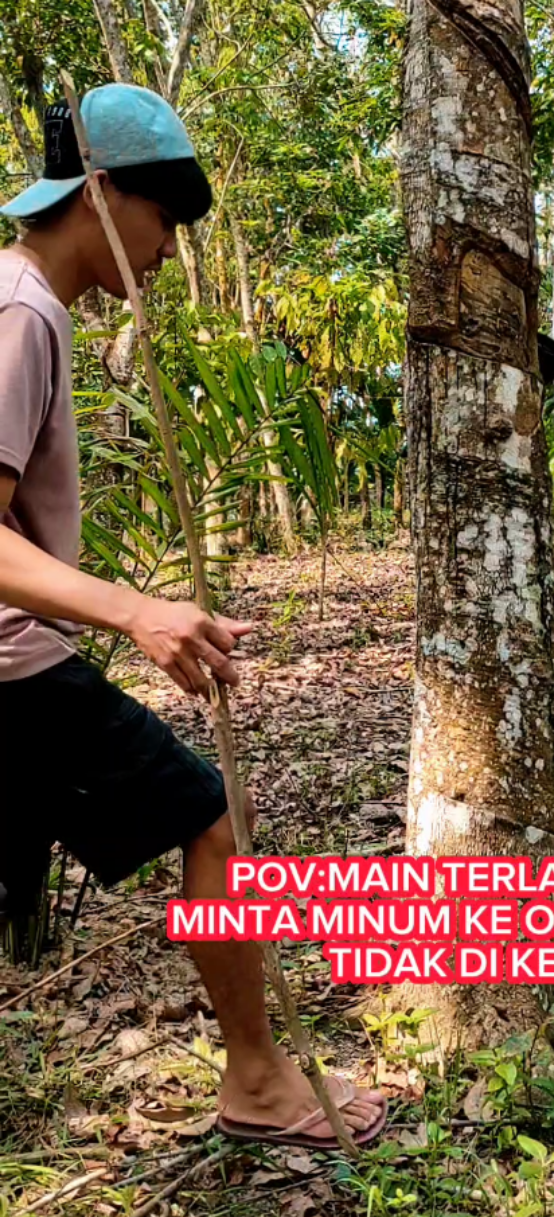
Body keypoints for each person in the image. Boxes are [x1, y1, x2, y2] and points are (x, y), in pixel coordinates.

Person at [0, 83, 386, 1149]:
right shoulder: (19, 311)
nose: (171, 248)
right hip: (11, 671)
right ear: (103, 190)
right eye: (166, 218)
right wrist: (135, 610)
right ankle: (258, 1076)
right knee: (208, 815)